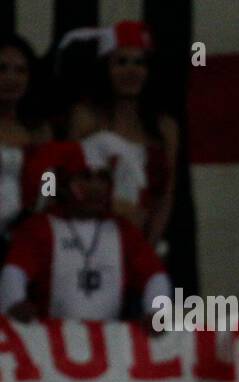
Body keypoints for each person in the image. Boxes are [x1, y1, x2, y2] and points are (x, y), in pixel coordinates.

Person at [0, 140, 170, 321]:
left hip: (111, 340)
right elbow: (14, 272)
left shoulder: (124, 232)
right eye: (85, 177)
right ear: (64, 185)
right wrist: (14, 306)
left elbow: (154, 275)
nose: (96, 187)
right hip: (51, 340)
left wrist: (157, 312)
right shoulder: (40, 228)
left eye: (102, 178)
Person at [64, 21, 178, 245]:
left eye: (139, 63)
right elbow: (67, 181)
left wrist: (147, 246)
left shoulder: (166, 127)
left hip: (144, 243)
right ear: (105, 68)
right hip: (89, 238)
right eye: (121, 62)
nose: (131, 70)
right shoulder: (85, 117)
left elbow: (166, 196)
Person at [0, 33, 51, 246]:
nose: (11, 78)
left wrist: (41, 210)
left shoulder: (40, 131)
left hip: (24, 240)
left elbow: (51, 181)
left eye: (20, 70)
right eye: (2, 69)